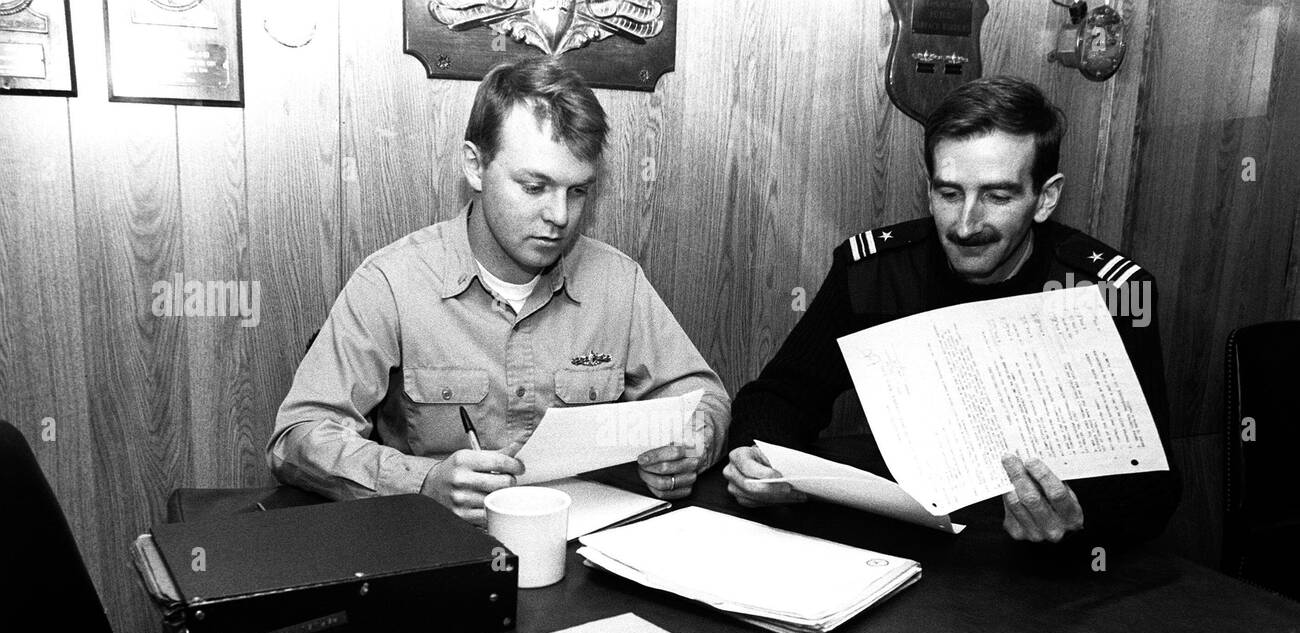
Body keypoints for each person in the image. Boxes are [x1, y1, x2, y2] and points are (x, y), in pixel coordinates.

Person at [268, 59, 729, 525]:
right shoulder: (392, 282)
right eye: (534, 186)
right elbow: (298, 435)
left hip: (585, 545)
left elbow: (702, 396)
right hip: (440, 552)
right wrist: (420, 482)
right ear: (475, 166)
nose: (560, 216)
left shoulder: (618, 282)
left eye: (578, 192)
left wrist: (691, 446)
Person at [724, 76, 1179, 545]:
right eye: (949, 194)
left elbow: (1151, 483)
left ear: (1046, 198)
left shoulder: (1116, 292)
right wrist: (752, 456)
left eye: (997, 197)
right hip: (903, 536)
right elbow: (782, 395)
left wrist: (1077, 521)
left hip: (1038, 559)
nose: (965, 225)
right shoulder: (872, 270)